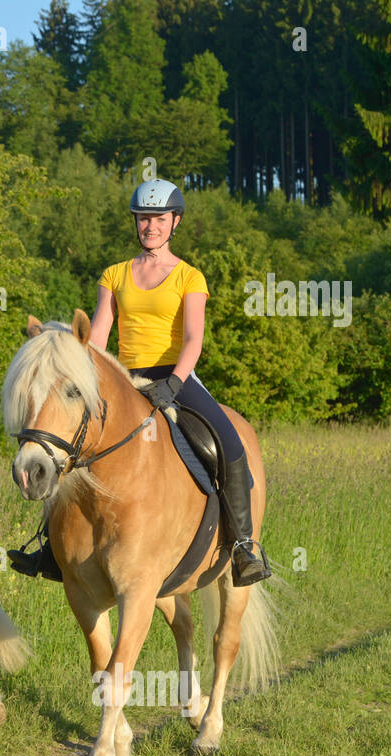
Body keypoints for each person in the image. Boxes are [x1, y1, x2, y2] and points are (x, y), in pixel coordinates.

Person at [22, 179, 270, 587]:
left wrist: (173, 382)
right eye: (143, 219)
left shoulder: (189, 277)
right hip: (123, 378)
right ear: (135, 223)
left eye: (158, 218)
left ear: (174, 222)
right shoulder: (115, 275)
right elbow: (98, 338)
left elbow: (194, 339)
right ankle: (51, 547)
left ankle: (243, 544)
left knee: (227, 441)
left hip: (176, 376)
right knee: (67, 443)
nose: (150, 226)